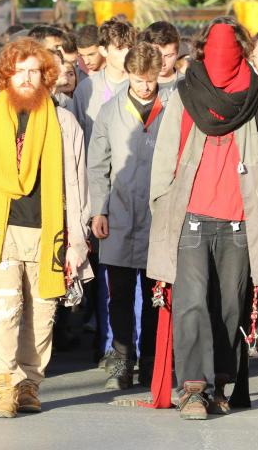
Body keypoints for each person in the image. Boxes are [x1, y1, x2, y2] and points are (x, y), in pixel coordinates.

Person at [0, 38, 92, 418]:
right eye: (19, 71)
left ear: (46, 77)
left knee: (42, 315)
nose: (26, 78)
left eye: (34, 71)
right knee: (3, 311)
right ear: (6, 76)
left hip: (49, 233)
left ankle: (30, 385)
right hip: (0, 232)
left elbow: (77, 186)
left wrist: (78, 241)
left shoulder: (65, 123)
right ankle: (4, 387)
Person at [146, 18, 258, 419]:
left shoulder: (257, 96)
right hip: (191, 218)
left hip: (239, 219)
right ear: (203, 51)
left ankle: (221, 382)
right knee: (191, 303)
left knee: (230, 308)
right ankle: (193, 388)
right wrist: (163, 205)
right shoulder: (186, 94)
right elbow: (165, 156)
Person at [87, 42, 168, 390]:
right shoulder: (110, 109)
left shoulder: (173, 107)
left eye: (150, 79)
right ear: (129, 74)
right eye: (139, 79)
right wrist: (98, 209)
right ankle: (121, 359)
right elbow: (98, 164)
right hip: (118, 213)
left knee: (155, 294)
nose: (145, 86)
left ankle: (152, 362)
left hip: (158, 216)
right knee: (118, 294)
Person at [71, 17, 136, 362]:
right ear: (104, 50)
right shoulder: (88, 89)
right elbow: (81, 148)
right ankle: (108, 343)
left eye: (129, 47)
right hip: (101, 188)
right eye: (117, 48)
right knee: (106, 268)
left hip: (134, 187)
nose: (123, 55)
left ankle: (135, 345)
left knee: (135, 272)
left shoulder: (143, 82)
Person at [139, 22, 182, 99]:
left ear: (177, 54)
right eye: (156, 55)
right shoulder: (131, 86)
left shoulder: (188, 85)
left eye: (169, 56)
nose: (162, 63)